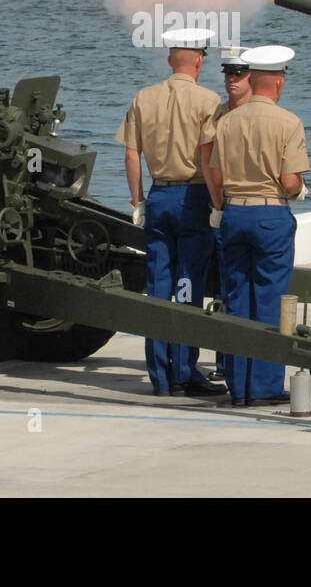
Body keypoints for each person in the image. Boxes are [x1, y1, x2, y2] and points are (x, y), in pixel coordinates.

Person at [115, 27, 226, 397]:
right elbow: (210, 160)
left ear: (169, 60)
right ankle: (183, 372)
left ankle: (159, 377)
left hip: (157, 196)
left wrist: (137, 202)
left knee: (158, 287)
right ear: (198, 61)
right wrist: (218, 204)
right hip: (194, 197)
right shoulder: (209, 101)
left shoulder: (143, 98)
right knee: (188, 285)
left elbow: (132, 154)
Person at [208, 45, 309, 406]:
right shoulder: (289, 122)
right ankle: (264, 389)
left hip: (234, 213)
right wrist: (296, 191)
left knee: (236, 299)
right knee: (268, 300)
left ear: (253, 79)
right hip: (269, 214)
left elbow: (215, 176)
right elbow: (291, 181)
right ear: (279, 81)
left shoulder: (227, 121)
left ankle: (239, 388)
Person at [200, 45, 250, 383]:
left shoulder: (260, 114)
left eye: (238, 74)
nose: (231, 80)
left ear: (252, 77)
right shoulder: (217, 116)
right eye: (228, 74)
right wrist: (217, 205)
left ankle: (249, 360)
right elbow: (207, 163)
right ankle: (225, 361)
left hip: (252, 205)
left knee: (252, 288)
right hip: (224, 205)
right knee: (225, 288)